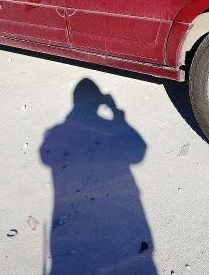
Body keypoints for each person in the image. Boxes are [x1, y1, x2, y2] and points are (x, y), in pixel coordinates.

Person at [40, 78, 155, 274]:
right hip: (121, 207)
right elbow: (139, 152)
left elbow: (45, 156)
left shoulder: (55, 132)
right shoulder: (109, 127)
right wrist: (118, 115)